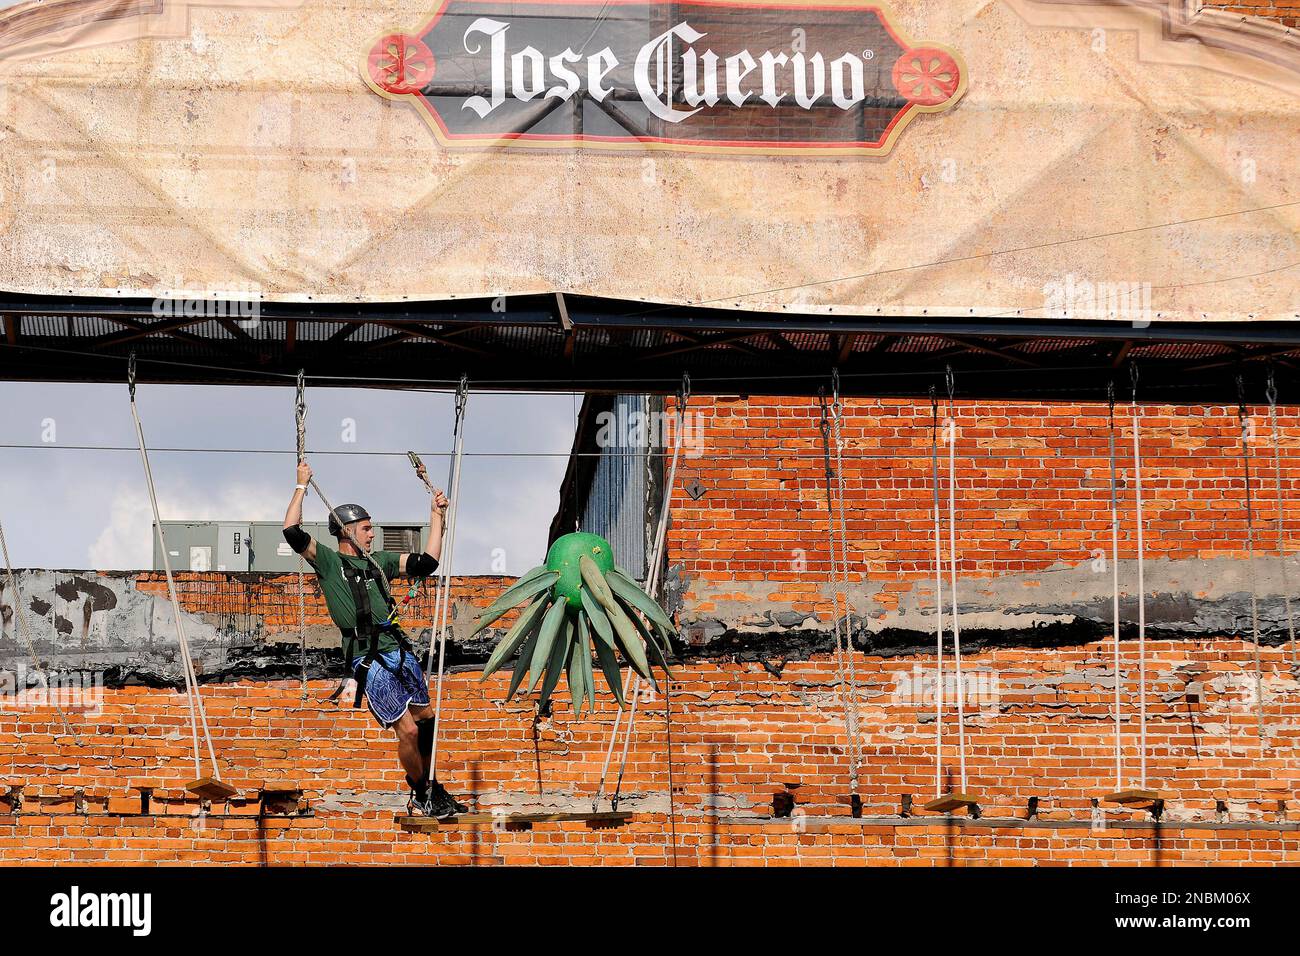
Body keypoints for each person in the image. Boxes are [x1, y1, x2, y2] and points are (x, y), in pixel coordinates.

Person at [282, 460, 467, 818]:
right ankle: (420, 791)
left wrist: (436, 516)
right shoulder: (329, 563)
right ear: (347, 531)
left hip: (398, 649)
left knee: (427, 719)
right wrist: (302, 485)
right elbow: (291, 530)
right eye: (366, 529)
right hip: (368, 658)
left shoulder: (378, 561)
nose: (372, 534)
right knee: (408, 731)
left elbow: (426, 562)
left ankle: (431, 786)